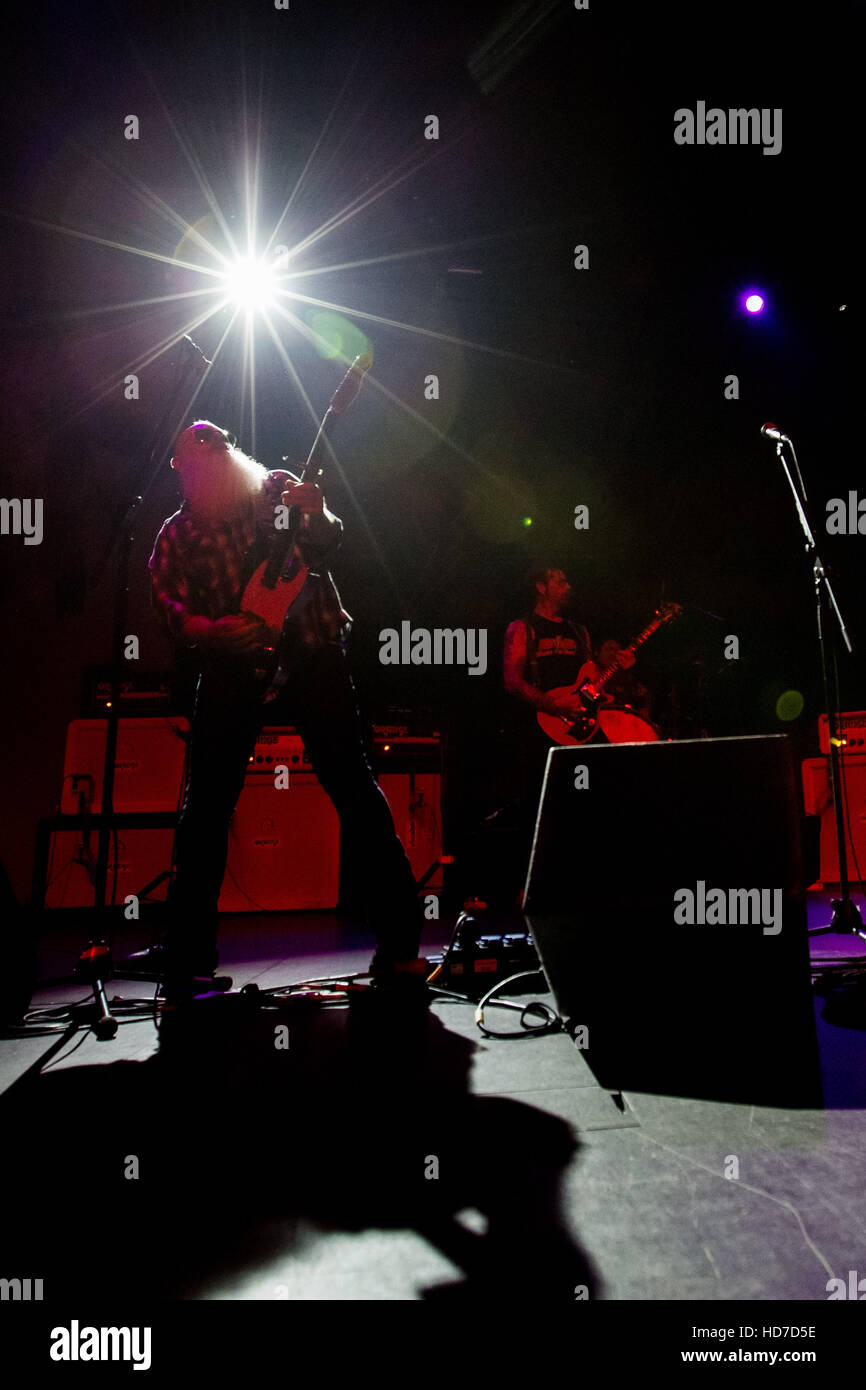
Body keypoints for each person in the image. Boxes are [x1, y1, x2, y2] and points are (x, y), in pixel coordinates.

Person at [148, 420, 424, 999]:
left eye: (222, 442)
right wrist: (214, 631)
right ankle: (190, 955)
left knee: (352, 784)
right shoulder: (175, 535)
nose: (216, 450)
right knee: (205, 808)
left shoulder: (275, 491)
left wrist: (318, 512)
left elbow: (327, 542)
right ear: (179, 466)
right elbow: (173, 611)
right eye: (199, 447)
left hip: (312, 654)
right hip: (231, 665)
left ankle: (400, 945)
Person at [502, 566, 635, 831]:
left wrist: (619, 670)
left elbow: (594, 682)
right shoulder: (522, 628)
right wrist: (551, 705)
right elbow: (512, 680)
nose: (568, 587)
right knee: (540, 809)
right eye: (561, 582)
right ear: (541, 587)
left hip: (578, 729)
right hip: (538, 730)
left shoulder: (579, 631)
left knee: (584, 806)